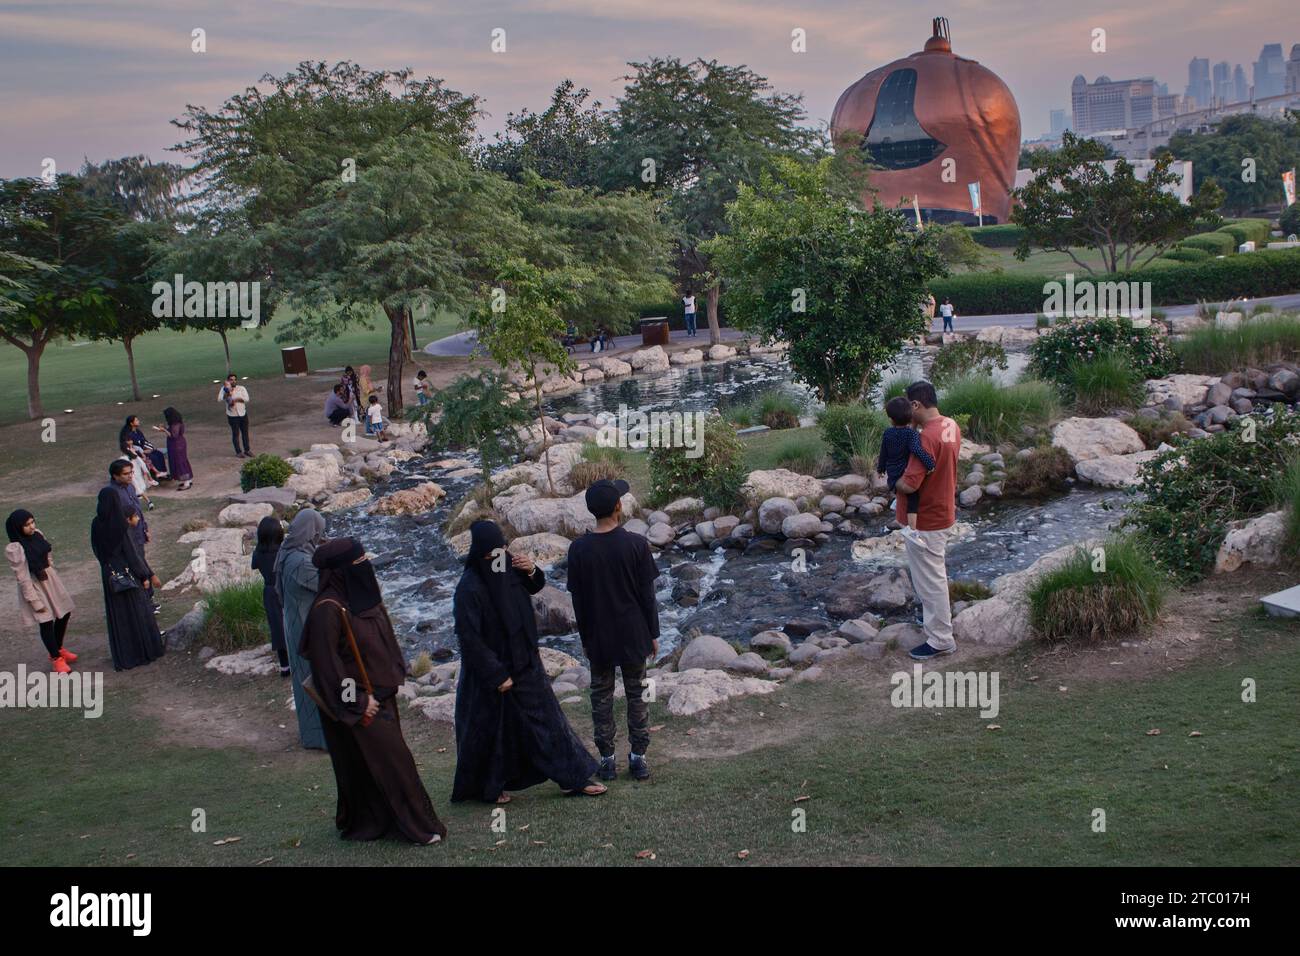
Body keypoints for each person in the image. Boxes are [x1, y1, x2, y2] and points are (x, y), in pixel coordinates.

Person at [300, 537, 447, 844]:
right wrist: (357, 702)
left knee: (375, 764)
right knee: (394, 763)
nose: (365, 567)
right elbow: (327, 668)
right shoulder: (327, 610)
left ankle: (378, 823)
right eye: (358, 562)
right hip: (359, 705)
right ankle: (421, 828)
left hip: (381, 697)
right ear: (341, 571)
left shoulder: (359, 597)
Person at [451, 520, 605, 803]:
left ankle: (574, 778)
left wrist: (531, 569)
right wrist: (496, 675)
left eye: (503, 549)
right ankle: (488, 788)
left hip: (525, 661)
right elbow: (469, 639)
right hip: (491, 673)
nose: (499, 556)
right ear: (481, 554)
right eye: (492, 553)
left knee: (550, 722)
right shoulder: (468, 589)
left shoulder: (507, 565)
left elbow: (535, 586)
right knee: (490, 731)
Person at [566, 479, 659, 782]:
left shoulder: (578, 549)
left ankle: (607, 760)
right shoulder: (635, 544)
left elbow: (578, 601)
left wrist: (584, 637)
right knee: (638, 694)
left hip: (599, 637)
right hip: (634, 632)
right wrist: (654, 633)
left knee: (601, 698)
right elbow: (647, 595)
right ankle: (639, 758)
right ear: (618, 507)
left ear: (592, 511)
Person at [894, 381, 961, 661]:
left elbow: (910, 484)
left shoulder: (925, 438)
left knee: (930, 582)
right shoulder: (950, 425)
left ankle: (941, 639)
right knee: (935, 576)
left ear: (916, 405)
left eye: (909, 407)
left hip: (926, 519)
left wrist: (889, 482)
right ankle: (938, 630)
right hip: (943, 509)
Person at [89, 485, 165, 671]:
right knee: (138, 611)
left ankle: (126, 655)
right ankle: (145, 651)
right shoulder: (121, 526)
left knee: (120, 615)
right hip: (127, 572)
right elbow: (132, 554)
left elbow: (97, 550)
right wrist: (144, 575)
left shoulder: (96, 524)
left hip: (110, 573)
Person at [274, 509, 328, 750]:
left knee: (307, 681)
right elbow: (323, 583)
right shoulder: (299, 561)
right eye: (318, 532)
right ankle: (321, 736)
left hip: (297, 624)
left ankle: (315, 734)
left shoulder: (288, 552)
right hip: (305, 628)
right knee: (315, 681)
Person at [6, 510, 76, 673]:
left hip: (49, 578)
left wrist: (49, 566)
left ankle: (58, 648)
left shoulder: (37, 534)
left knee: (64, 612)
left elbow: (47, 551)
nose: (31, 527)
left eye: (32, 522)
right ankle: (55, 658)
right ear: (18, 528)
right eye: (26, 525)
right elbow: (22, 576)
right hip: (34, 584)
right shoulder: (15, 548)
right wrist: (34, 600)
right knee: (45, 621)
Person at [877, 395, 936, 538]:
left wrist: (881, 469)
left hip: (892, 475)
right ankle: (913, 528)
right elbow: (916, 450)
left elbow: (883, 452)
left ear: (891, 419)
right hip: (904, 474)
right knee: (913, 498)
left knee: (901, 493)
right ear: (911, 416)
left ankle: (897, 505)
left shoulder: (888, 433)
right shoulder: (911, 434)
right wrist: (930, 464)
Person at [108, 459, 157, 613]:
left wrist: (145, 528)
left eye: (131, 473)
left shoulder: (129, 487)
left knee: (141, 561)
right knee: (137, 565)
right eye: (126, 474)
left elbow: (137, 510)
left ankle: (149, 599)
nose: (130, 476)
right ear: (115, 476)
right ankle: (144, 601)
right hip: (127, 537)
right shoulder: (112, 493)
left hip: (138, 533)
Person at [251, 516, 291, 677]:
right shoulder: (283, 550)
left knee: (277, 628)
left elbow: (254, 565)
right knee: (291, 623)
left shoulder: (258, 553)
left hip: (269, 591)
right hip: (285, 589)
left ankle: (284, 665)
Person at [153, 407, 192, 490]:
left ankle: (186, 482)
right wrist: (164, 428)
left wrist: (163, 430)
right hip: (179, 443)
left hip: (176, 445)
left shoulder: (175, 424)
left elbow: (173, 436)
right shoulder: (177, 422)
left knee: (179, 462)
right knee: (182, 460)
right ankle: (188, 479)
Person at [119, 415, 167, 479]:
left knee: (159, 454)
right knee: (153, 457)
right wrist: (142, 453)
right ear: (131, 423)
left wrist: (149, 448)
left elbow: (144, 441)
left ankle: (162, 473)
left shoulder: (137, 431)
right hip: (137, 453)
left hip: (144, 449)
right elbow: (129, 448)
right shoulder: (127, 434)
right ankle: (156, 474)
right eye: (136, 420)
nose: (138, 421)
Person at [218, 373, 251, 458]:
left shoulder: (241, 388)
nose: (233, 381)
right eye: (231, 380)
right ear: (228, 381)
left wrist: (236, 399)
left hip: (243, 413)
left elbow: (247, 399)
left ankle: (247, 450)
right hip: (232, 415)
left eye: (234, 379)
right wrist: (227, 392)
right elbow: (219, 399)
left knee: (245, 433)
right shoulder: (224, 389)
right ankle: (238, 451)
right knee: (235, 434)